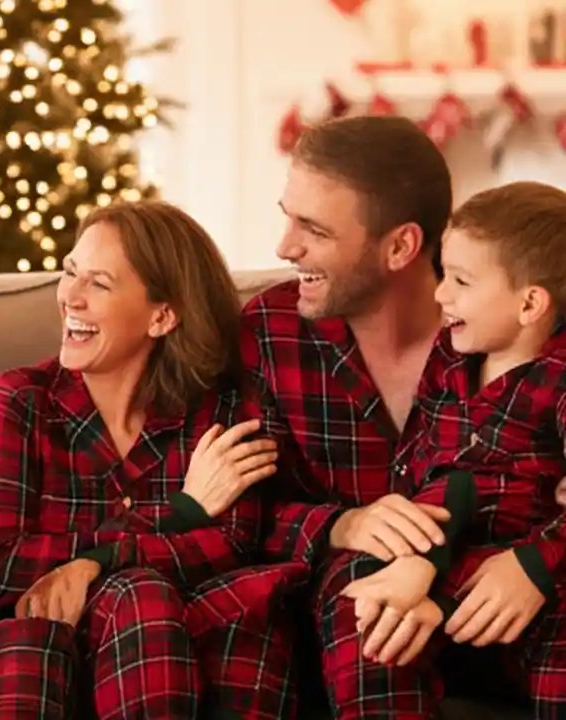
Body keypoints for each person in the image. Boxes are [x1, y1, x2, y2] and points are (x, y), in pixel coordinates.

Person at [0, 200, 305, 719]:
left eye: (98, 284)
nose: (70, 298)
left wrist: (90, 564)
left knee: (148, 596)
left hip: (173, 649)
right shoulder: (14, 401)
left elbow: (235, 541)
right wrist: (180, 513)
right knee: (38, 634)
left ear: (162, 315)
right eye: (70, 273)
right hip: (46, 654)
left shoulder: (218, 411)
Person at [240, 114, 467, 717]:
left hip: (488, 596)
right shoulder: (270, 333)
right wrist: (342, 525)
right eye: (288, 216)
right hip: (350, 620)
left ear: (401, 246)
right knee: (363, 586)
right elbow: (240, 516)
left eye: (312, 228)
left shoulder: (499, 330)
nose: (285, 247)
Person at [334, 181, 566, 717]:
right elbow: (423, 464)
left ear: (530, 302)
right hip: (451, 561)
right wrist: (425, 562)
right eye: (444, 274)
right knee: (368, 608)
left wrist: (535, 563)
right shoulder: (451, 355)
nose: (440, 294)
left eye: (461, 281)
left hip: (533, 580)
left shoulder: (557, 377)